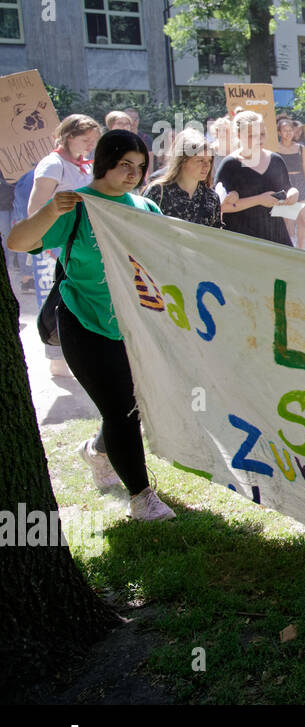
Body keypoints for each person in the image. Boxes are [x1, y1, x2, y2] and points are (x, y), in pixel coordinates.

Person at [6, 130, 174, 520]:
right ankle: (141, 496)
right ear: (104, 163)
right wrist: (50, 211)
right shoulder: (77, 206)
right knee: (120, 409)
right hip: (84, 322)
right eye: (123, 164)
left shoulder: (145, 207)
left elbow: (168, 258)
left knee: (132, 405)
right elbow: (17, 242)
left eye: (139, 166)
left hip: (134, 325)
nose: (132, 173)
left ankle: (97, 451)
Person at [30, 114, 102, 378]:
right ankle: (57, 359)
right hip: (60, 246)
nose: (89, 146)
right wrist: (51, 239)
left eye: (94, 141)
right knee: (60, 302)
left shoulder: (82, 165)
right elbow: (35, 209)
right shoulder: (52, 165)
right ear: (69, 136)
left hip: (80, 246)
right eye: (85, 140)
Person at [217, 110, 297, 246]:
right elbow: (220, 207)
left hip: (274, 235)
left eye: (262, 134)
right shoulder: (229, 165)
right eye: (252, 135)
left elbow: (288, 188)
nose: (259, 139)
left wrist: (293, 194)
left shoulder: (276, 159)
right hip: (241, 240)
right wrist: (259, 200)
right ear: (238, 135)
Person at [143, 128, 222, 228]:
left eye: (209, 161)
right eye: (200, 160)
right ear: (183, 161)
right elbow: (142, 228)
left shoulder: (212, 198)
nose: (207, 166)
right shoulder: (158, 192)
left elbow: (216, 237)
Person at [275, 116, 305, 249]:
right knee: (288, 220)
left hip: (300, 182)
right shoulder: (275, 149)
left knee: (302, 220)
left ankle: (301, 249)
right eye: (285, 130)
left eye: (290, 129)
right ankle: (289, 247)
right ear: (279, 132)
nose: (288, 133)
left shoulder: (300, 148)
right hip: (284, 183)